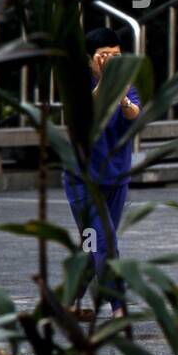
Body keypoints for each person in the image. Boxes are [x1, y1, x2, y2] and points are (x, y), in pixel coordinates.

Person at [64, 27, 141, 319]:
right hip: (83, 180)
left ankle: (70, 302)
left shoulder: (128, 81)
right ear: (89, 59)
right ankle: (119, 308)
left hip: (116, 177)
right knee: (104, 241)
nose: (111, 61)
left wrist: (122, 97)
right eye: (104, 56)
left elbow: (135, 115)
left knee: (92, 245)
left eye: (116, 55)